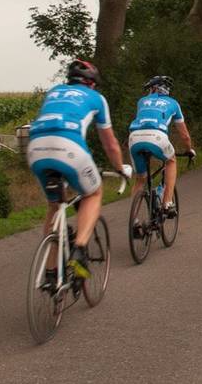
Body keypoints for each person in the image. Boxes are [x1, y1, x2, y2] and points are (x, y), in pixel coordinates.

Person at [26, 59, 131, 279]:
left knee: (55, 206)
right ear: (92, 83)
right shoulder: (97, 98)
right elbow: (110, 144)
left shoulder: (54, 91)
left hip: (35, 149)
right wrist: (120, 168)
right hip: (70, 148)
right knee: (93, 193)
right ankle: (80, 250)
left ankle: (50, 272)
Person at [127, 75, 195, 218]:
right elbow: (185, 136)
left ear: (152, 88)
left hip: (134, 138)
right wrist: (189, 150)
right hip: (157, 137)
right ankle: (167, 203)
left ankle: (135, 221)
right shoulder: (173, 104)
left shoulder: (142, 101)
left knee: (140, 179)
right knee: (171, 161)